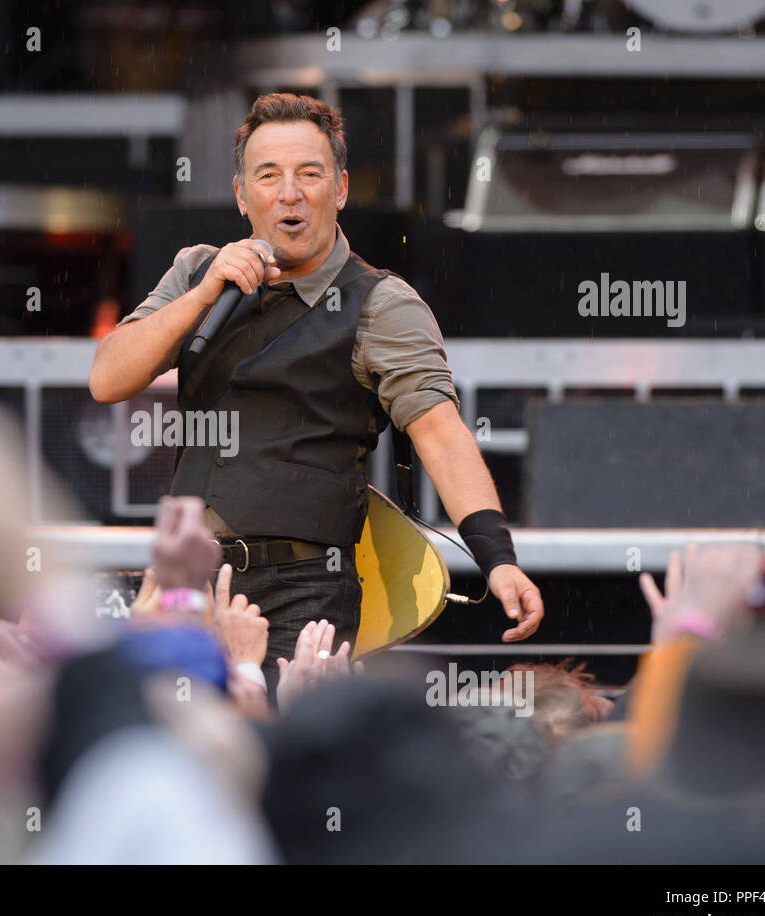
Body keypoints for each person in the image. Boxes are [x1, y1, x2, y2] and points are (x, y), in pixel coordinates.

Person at [89, 92, 544, 690]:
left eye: (310, 174)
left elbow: (439, 432)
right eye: (269, 176)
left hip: (304, 592)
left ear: (341, 189)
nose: (290, 193)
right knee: (187, 754)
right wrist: (203, 297)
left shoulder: (382, 304)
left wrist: (497, 555)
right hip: (189, 584)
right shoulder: (199, 270)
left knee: (287, 765)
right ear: (241, 194)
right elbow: (108, 379)